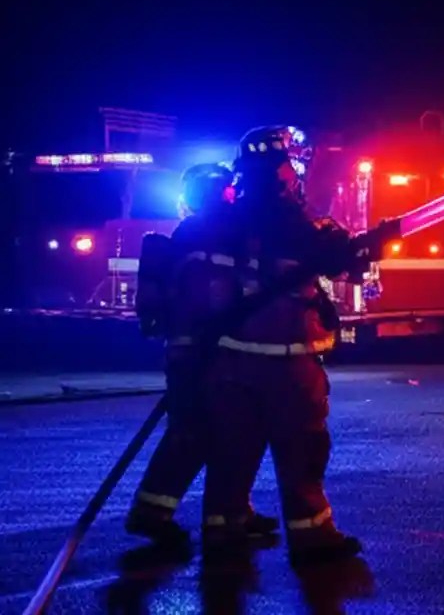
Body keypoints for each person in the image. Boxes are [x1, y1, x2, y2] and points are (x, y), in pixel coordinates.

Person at [202, 125, 393, 563]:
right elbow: (348, 264)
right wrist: (371, 244)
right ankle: (312, 537)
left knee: (231, 452)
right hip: (287, 365)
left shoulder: (222, 223)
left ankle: (221, 530)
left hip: (229, 361)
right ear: (285, 171)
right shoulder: (303, 226)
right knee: (303, 451)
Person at [125, 163, 277, 546]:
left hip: (197, 350)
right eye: (229, 192)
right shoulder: (210, 235)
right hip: (204, 352)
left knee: (223, 433)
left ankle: (224, 512)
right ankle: (163, 514)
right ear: (219, 195)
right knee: (201, 434)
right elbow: (212, 297)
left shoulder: (197, 233)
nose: (234, 199)